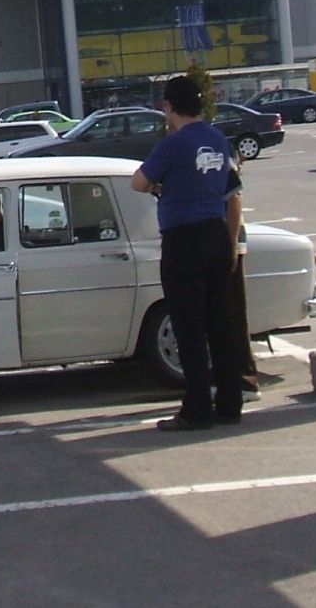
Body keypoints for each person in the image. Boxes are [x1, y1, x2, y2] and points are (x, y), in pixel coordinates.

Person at [131, 75, 242, 431]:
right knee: (221, 325)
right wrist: (231, 244)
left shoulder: (172, 144)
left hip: (182, 240)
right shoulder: (219, 140)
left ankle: (197, 409)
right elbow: (231, 194)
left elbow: (139, 181)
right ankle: (229, 403)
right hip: (215, 234)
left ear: (168, 107)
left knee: (190, 327)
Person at [226, 152, 260, 400]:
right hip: (215, 241)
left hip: (229, 242)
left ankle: (245, 379)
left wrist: (231, 245)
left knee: (233, 312)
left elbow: (234, 198)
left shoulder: (215, 152)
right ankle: (231, 378)